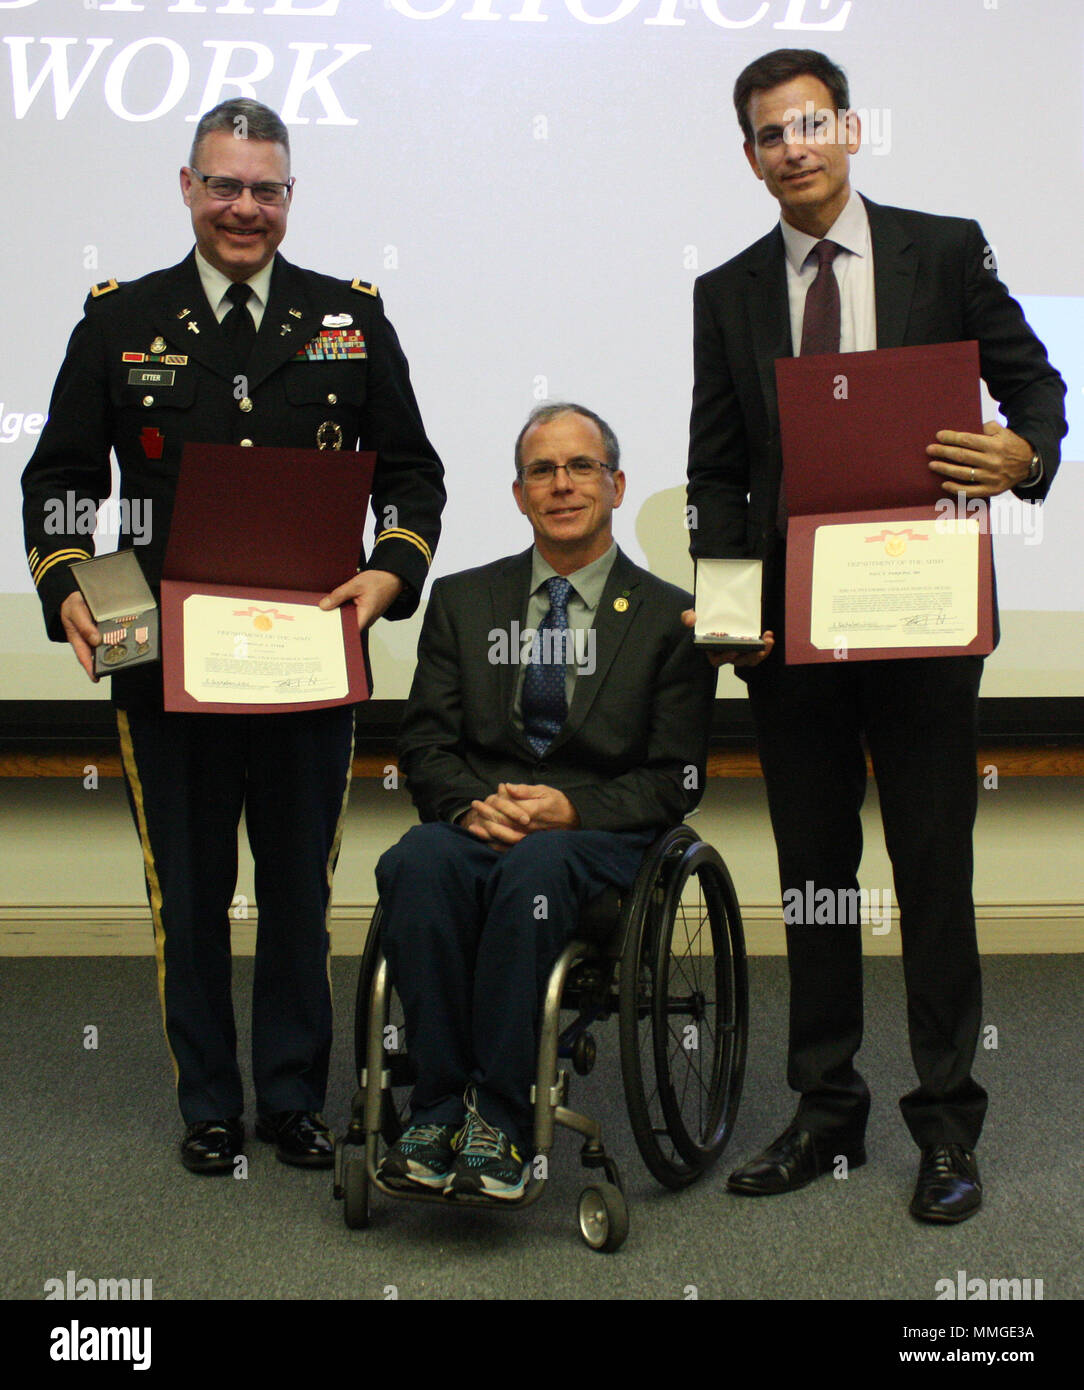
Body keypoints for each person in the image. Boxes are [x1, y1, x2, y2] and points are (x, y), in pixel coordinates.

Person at [21, 99, 445, 1175]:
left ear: (289, 199)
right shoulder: (121, 320)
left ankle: (295, 1098)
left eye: (266, 189)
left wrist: (391, 569)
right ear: (187, 187)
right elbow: (63, 483)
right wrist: (71, 582)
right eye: (225, 185)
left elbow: (412, 474)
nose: (244, 208)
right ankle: (210, 1102)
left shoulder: (349, 317)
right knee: (191, 888)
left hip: (309, 659)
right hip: (163, 665)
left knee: (300, 886)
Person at [686, 50, 1066, 1222]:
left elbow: (1036, 384)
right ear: (748, 156)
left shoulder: (942, 249)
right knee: (814, 880)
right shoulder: (729, 288)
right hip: (794, 640)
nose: (791, 148)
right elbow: (716, 470)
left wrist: (1029, 454)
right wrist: (727, 606)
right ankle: (825, 1110)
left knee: (931, 875)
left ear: (848, 128)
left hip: (925, 620)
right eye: (767, 134)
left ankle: (947, 1124)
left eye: (809, 124)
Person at [374, 402, 716, 1200]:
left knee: (537, 867)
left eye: (581, 467)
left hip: (597, 841)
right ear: (520, 495)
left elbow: (678, 779)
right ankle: (433, 1109)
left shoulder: (671, 618)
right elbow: (425, 746)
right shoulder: (462, 601)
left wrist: (571, 812)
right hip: (482, 823)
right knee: (417, 858)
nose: (562, 485)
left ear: (617, 484)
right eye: (542, 471)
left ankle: (496, 1111)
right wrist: (467, 809)